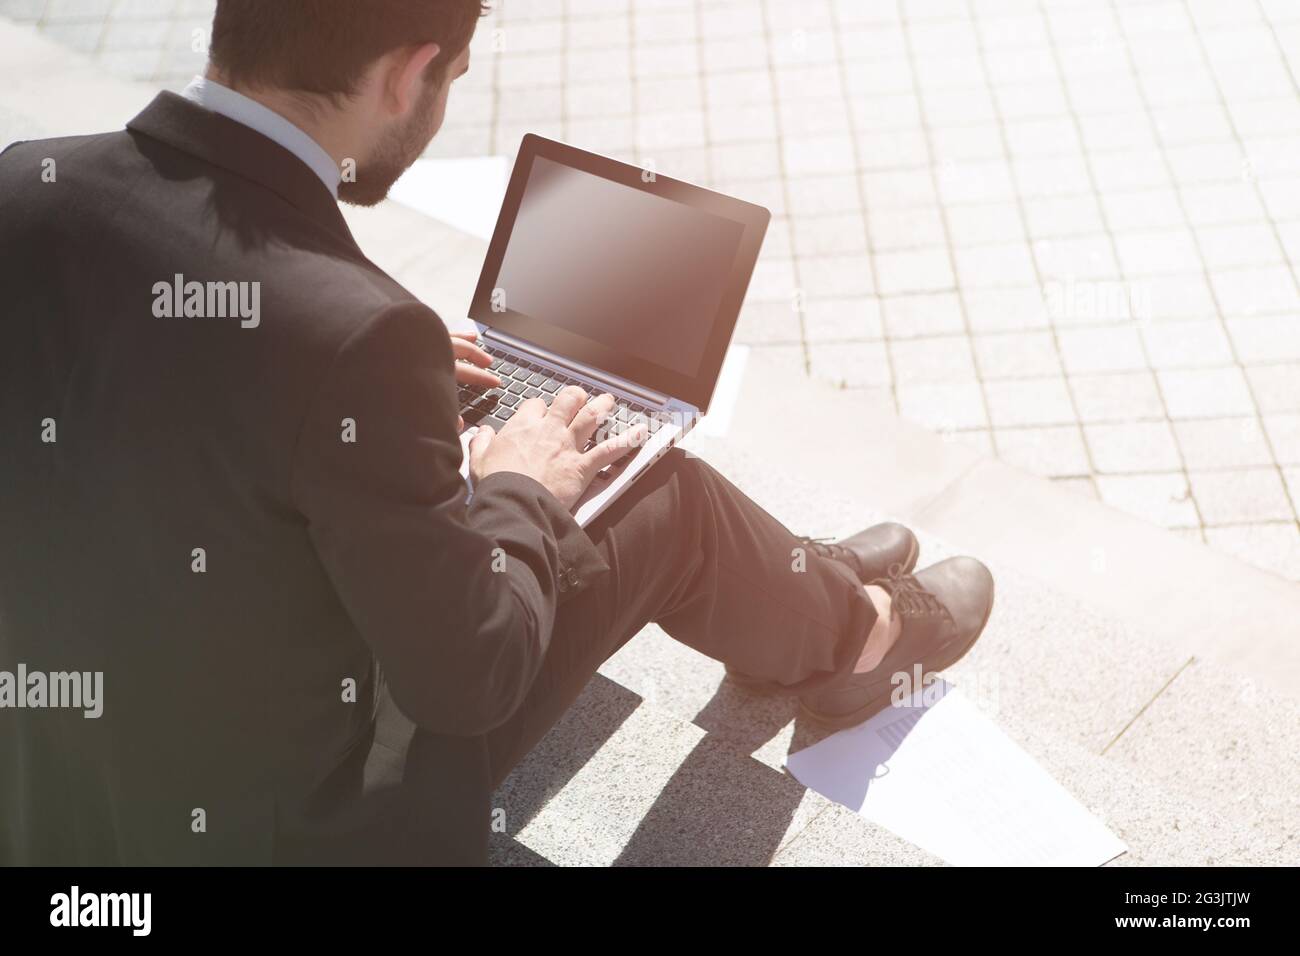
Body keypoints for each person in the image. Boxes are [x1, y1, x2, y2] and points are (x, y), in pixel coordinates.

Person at [0, 0, 993, 866]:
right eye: (451, 79)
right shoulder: (354, 333)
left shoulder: (24, 187)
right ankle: (859, 635)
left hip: (56, 798)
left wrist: (359, 401)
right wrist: (517, 484)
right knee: (655, 493)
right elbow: (469, 674)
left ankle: (808, 591)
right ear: (409, 72)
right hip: (302, 831)